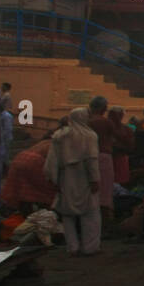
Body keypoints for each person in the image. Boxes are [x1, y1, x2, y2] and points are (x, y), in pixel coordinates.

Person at [44, 108, 101, 256]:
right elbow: (92, 160)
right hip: (84, 177)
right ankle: (90, 247)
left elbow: (52, 160)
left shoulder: (59, 135)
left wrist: (54, 179)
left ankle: (72, 247)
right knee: (90, 213)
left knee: (67, 215)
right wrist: (95, 179)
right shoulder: (90, 136)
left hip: (65, 177)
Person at [0, 138, 56, 213]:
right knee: (44, 192)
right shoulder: (59, 143)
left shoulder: (46, 142)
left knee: (21, 190)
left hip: (21, 158)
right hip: (35, 162)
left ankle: (21, 212)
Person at [85, 96, 117, 223]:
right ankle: (105, 223)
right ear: (104, 108)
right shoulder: (106, 122)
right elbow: (114, 138)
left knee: (89, 190)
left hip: (87, 157)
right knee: (104, 191)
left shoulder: (87, 121)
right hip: (104, 157)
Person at [108, 107, 134, 188]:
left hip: (119, 159)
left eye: (113, 115)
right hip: (108, 159)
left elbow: (131, 147)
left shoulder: (126, 129)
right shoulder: (105, 127)